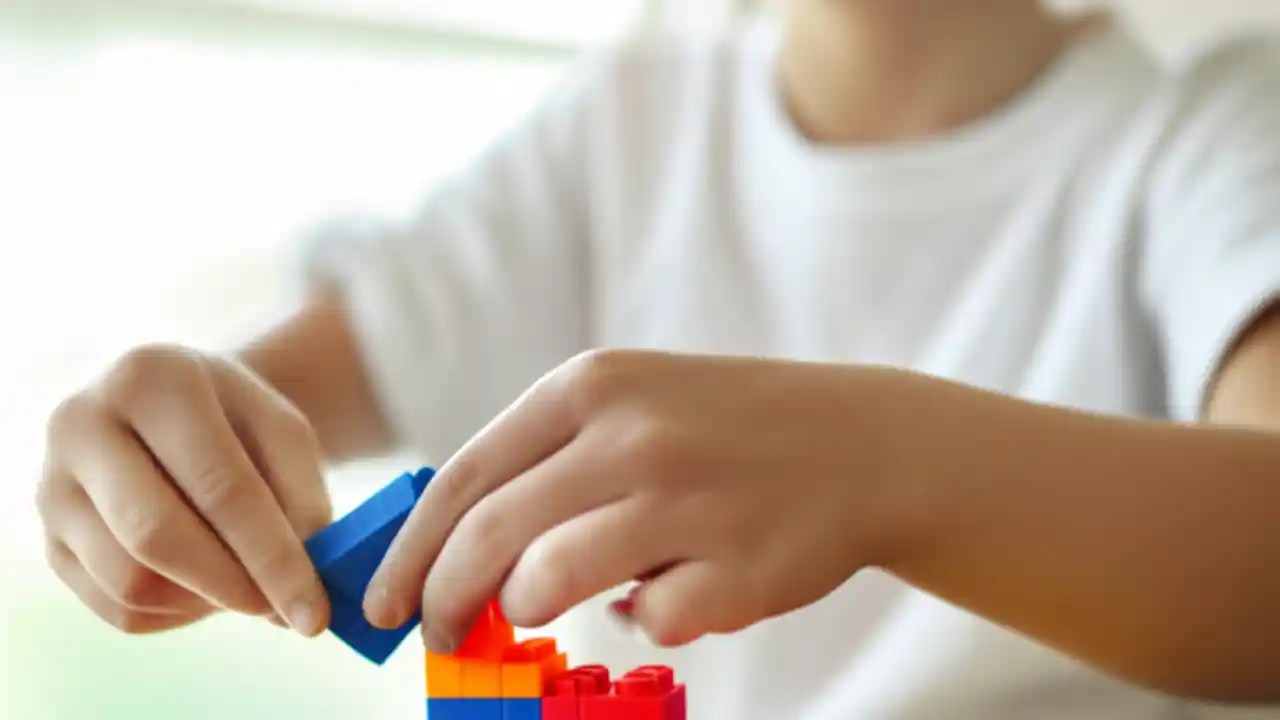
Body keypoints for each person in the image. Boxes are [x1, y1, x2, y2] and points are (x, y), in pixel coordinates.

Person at [34, 0, 1280, 717]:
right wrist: (154, 442)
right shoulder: (633, 112)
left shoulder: (1209, 128)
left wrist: (886, 462)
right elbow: (265, 408)